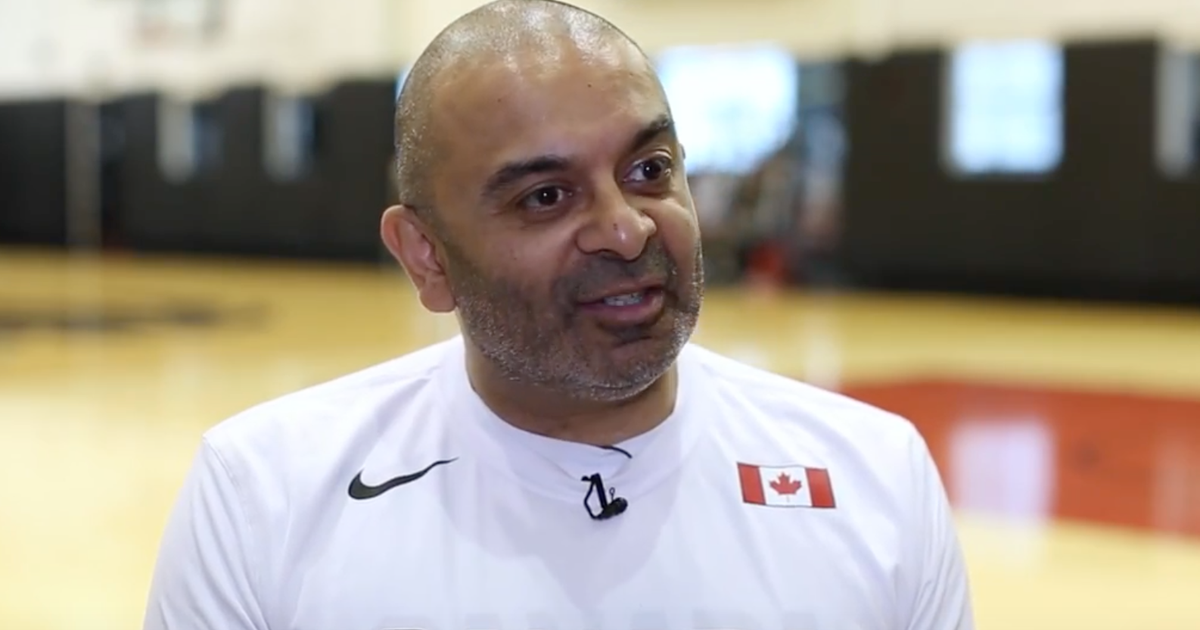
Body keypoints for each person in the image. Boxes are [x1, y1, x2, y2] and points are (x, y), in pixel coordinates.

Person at [142, 1, 974, 628]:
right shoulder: (264, 496)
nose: (625, 226)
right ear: (425, 257)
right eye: (546, 196)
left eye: (649, 168)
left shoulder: (876, 478)